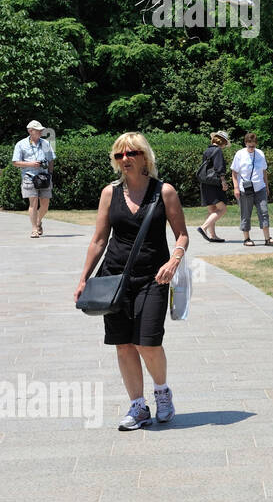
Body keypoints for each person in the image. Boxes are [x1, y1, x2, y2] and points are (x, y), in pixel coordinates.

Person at [73, 132, 188, 430]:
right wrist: (84, 278)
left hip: (153, 278)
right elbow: (99, 240)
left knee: (147, 342)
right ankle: (138, 406)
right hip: (114, 278)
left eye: (131, 153)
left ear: (144, 156)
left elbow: (182, 235)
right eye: (119, 155)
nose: (125, 159)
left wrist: (173, 260)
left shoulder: (164, 192)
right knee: (123, 344)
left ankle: (162, 392)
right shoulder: (109, 193)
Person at [231, 132, 273, 246]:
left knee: (264, 212)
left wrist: (266, 186)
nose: (251, 147)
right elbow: (234, 172)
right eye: (249, 145)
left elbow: (264, 171)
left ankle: (267, 238)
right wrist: (236, 187)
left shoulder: (260, 154)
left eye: (253, 145)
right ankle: (247, 239)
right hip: (245, 189)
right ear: (245, 143)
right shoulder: (240, 154)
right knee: (246, 214)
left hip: (260, 188)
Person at [12, 121, 55, 239]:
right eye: (38, 130)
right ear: (30, 131)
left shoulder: (46, 143)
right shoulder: (21, 144)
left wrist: (50, 174)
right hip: (29, 177)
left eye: (41, 130)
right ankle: (34, 229)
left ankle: (38, 221)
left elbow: (51, 160)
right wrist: (31, 164)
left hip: (44, 177)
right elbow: (15, 162)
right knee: (33, 203)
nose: (41, 132)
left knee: (45, 205)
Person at [195, 130, 232, 242]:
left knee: (212, 210)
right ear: (223, 142)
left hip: (205, 183)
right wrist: (223, 181)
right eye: (225, 144)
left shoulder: (207, 151)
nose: (225, 146)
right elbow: (219, 168)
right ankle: (203, 227)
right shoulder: (218, 151)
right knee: (222, 209)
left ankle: (213, 235)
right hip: (214, 184)